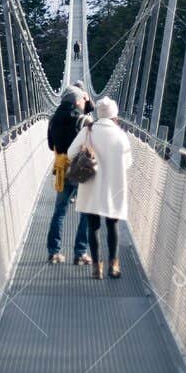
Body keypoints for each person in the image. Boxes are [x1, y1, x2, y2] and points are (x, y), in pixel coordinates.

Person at [67, 96, 132, 280]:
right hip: (114, 188)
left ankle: (97, 268)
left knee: (93, 226)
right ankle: (114, 266)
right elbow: (128, 163)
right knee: (113, 225)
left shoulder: (89, 130)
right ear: (115, 116)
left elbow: (71, 153)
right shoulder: (121, 135)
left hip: (91, 186)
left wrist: (86, 153)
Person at [46, 87, 93, 264]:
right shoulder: (83, 119)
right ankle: (80, 253)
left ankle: (54, 252)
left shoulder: (53, 119)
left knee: (59, 211)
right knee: (86, 212)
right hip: (78, 167)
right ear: (76, 101)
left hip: (60, 165)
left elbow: (51, 145)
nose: (84, 103)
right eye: (82, 100)